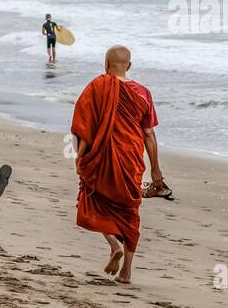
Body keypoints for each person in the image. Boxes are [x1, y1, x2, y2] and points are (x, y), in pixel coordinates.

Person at [70, 45, 165, 284]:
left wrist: (80, 157)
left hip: (100, 159)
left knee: (92, 197)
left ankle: (113, 244)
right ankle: (127, 272)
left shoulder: (96, 87)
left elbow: (82, 127)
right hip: (131, 160)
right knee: (130, 212)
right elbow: (149, 133)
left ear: (105, 64)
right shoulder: (143, 93)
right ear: (129, 66)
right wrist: (155, 168)